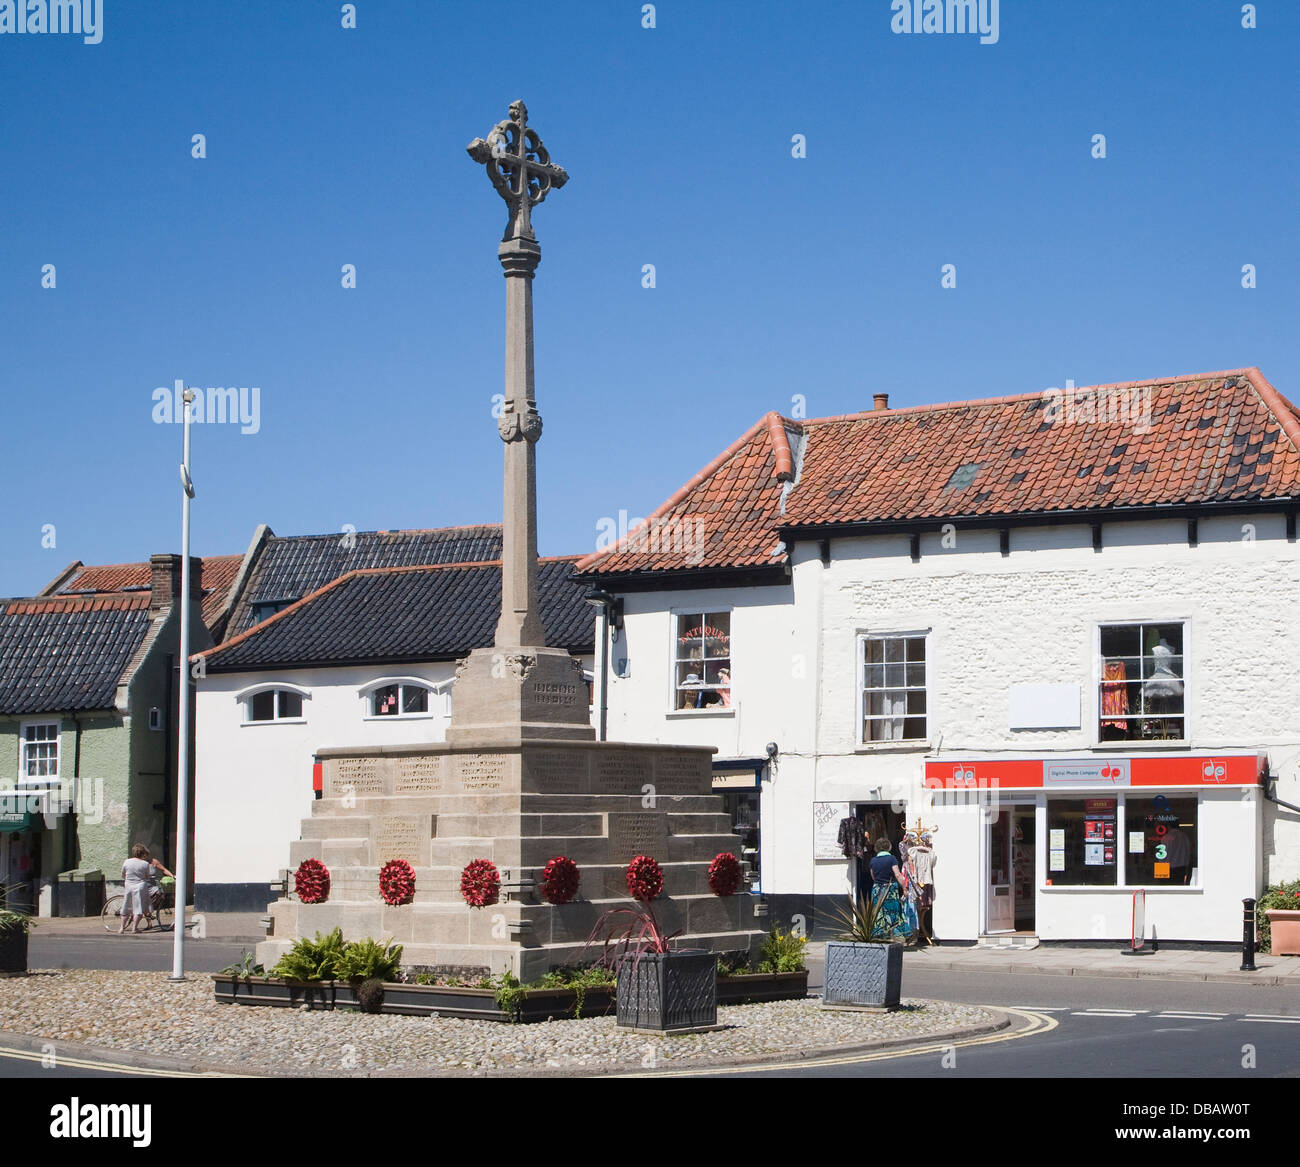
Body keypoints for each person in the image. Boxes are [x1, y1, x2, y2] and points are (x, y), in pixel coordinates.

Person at [119, 844, 173, 934]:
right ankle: (134, 928)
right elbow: (147, 877)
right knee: (139, 908)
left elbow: (123, 874)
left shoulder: (127, 861)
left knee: (126, 907)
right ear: (142, 854)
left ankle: (121, 928)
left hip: (128, 885)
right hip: (140, 886)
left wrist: (128, 880)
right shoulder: (145, 864)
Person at [867, 837, 912, 941]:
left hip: (877, 889)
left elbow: (873, 876)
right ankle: (898, 934)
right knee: (893, 912)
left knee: (879, 913)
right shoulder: (892, 859)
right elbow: (898, 875)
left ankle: (880, 935)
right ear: (889, 847)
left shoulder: (873, 861)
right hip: (890, 890)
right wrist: (904, 888)